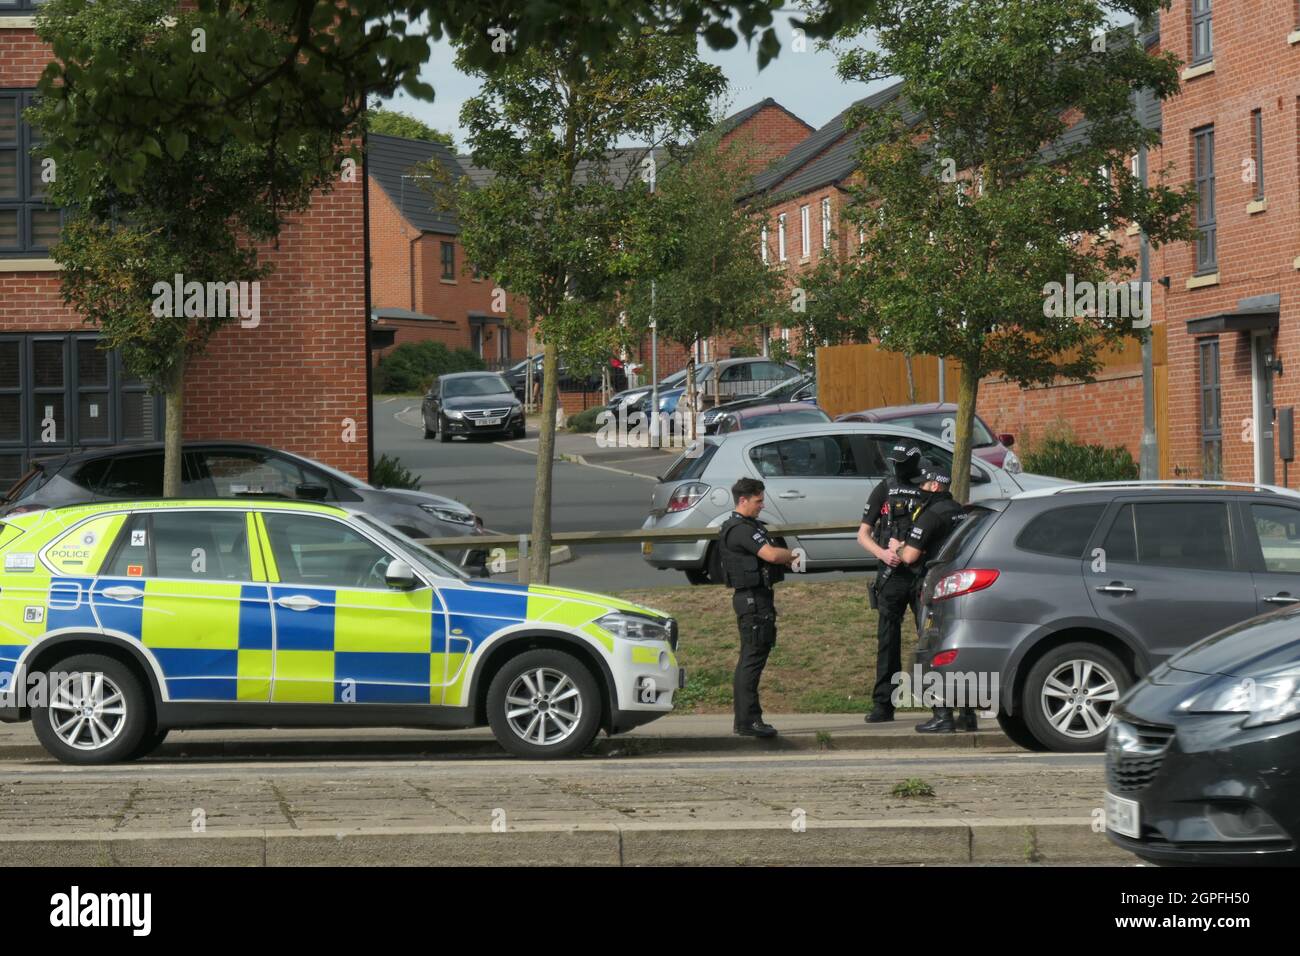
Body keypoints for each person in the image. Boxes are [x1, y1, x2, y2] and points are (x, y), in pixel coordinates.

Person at [891, 459, 977, 734]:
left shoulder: (931, 514)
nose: (921, 490)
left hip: (935, 587)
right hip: (961, 587)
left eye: (925, 485)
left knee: (931, 649)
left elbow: (911, 556)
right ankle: (967, 715)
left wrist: (899, 547)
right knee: (958, 649)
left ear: (936, 485)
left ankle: (942, 716)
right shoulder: (961, 511)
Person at [718, 477, 797, 738]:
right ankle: (749, 720)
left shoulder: (749, 526)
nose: (761, 505)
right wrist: (791, 555)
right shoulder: (740, 529)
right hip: (752, 601)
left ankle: (746, 719)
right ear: (743, 500)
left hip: (757, 599)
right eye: (758, 501)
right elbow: (772, 555)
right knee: (751, 661)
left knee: (752, 659)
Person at [857, 444, 924, 723]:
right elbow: (863, 533)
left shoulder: (929, 485)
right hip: (891, 576)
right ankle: (883, 704)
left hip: (920, 574)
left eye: (901, 462)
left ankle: (944, 705)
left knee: (932, 638)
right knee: (887, 642)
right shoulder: (885, 487)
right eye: (894, 462)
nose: (896, 467)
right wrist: (882, 553)